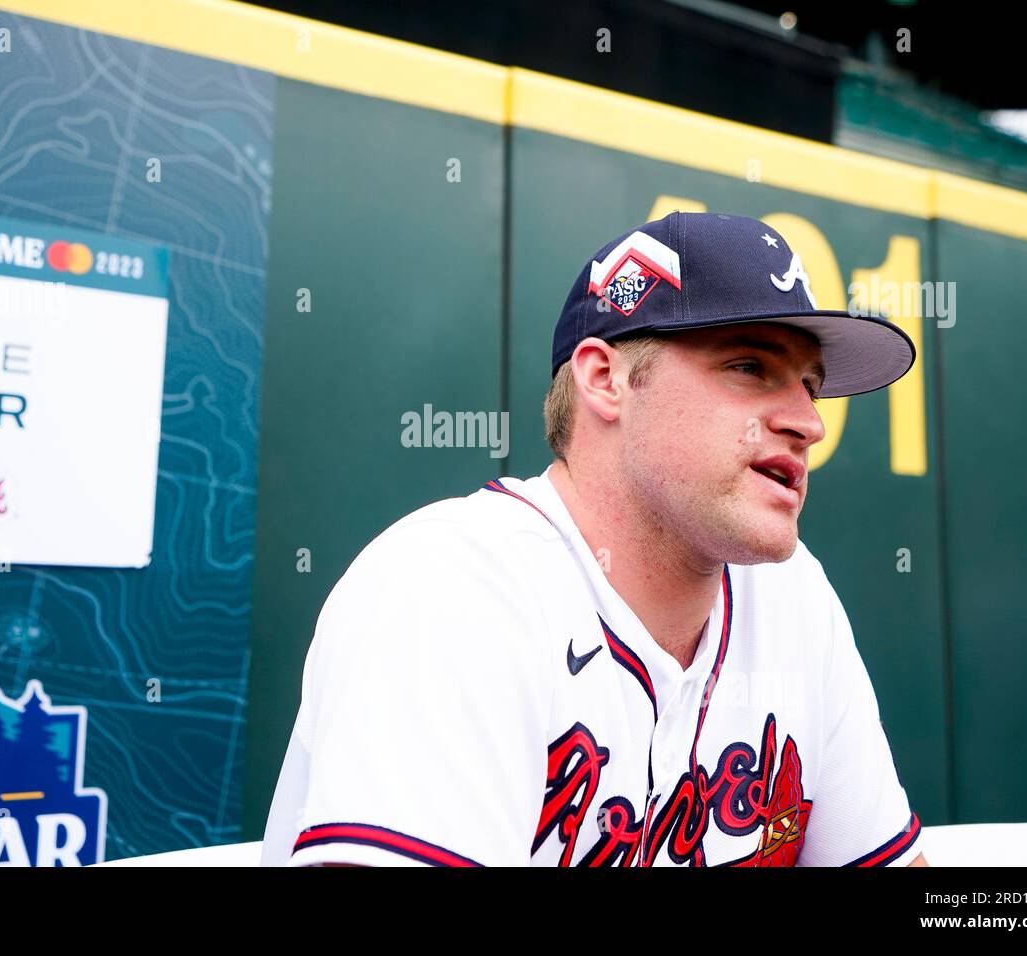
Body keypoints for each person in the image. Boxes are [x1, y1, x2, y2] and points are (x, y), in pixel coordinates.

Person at [261, 211, 928, 867]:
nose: (808, 422)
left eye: (811, 385)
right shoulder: (448, 590)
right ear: (606, 379)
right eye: (750, 366)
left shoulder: (791, 597)